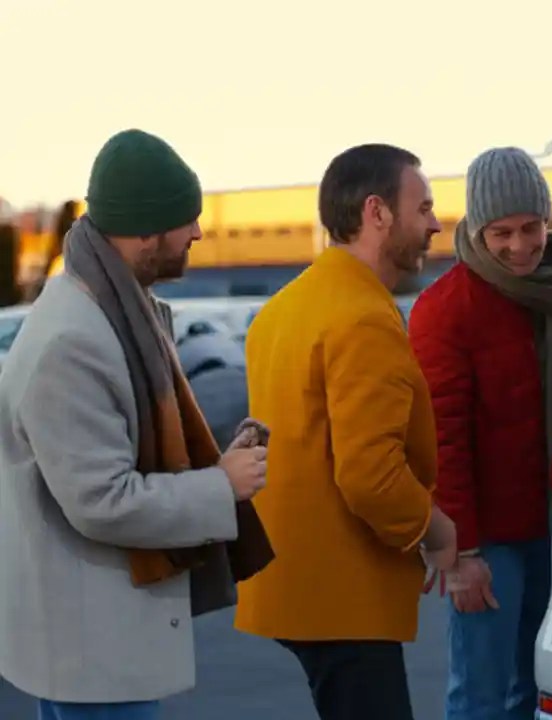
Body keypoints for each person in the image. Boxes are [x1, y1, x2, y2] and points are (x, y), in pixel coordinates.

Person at [0, 128, 274, 720]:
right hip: (93, 653)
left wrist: (214, 465)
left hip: (92, 644)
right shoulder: (75, 337)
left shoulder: (102, 309)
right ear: (148, 229)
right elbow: (102, 500)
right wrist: (220, 485)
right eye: (188, 220)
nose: (199, 233)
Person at [234, 143, 457, 720]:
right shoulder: (362, 316)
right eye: (424, 206)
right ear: (377, 213)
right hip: (342, 596)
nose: (435, 223)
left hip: (293, 584)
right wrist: (436, 531)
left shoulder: (283, 309)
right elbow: (370, 474)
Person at [409, 146, 552, 720]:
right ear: (476, 229)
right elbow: (444, 441)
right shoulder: (446, 310)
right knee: (482, 697)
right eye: (502, 233)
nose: (519, 246)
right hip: (488, 543)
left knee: (541, 690)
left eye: (531, 228)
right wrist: (461, 553)